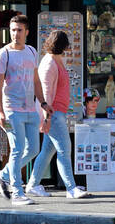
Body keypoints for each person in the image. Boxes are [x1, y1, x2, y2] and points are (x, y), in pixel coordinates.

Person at [26, 30, 90, 199]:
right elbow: (46, 94)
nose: (68, 48)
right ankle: (71, 188)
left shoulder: (55, 60)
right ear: (62, 45)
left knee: (47, 151)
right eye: (66, 44)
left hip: (56, 112)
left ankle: (33, 185)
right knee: (64, 149)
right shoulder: (49, 63)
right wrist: (46, 118)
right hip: (53, 113)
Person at [0, 13, 47, 205]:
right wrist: (0, 111)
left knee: (33, 149)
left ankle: (4, 174)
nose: (15, 34)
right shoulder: (3, 54)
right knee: (17, 150)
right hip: (11, 109)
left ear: (27, 32)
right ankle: (17, 192)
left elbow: (36, 80)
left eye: (19, 30)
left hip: (30, 109)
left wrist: (43, 102)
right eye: (13, 30)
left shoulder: (31, 51)